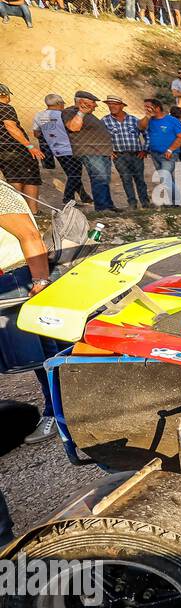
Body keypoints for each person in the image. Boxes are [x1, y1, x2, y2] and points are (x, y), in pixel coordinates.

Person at [0, 178, 58, 443]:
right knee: (41, 353)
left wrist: (40, 281)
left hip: (17, 279)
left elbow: (30, 235)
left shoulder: (1, 192)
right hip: (13, 279)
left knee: (43, 353)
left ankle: (58, 414)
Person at [62, 90, 117, 211]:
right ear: (82, 102)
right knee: (99, 179)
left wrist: (107, 149)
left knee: (104, 179)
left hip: (101, 152)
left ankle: (108, 206)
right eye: (93, 102)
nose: (96, 106)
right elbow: (73, 127)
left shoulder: (88, 114)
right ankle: (102, 208)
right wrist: (81, 112)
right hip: (91, 152)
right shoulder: (70, 112)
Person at [32, 94, 88, 206]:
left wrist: (51, 135)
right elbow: (75, 128)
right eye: (63, 103)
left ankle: (84, 196)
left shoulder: (39, 115)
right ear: (59, 104)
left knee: (72, 173)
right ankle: (68, 199)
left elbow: (36, 133)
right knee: (75, 174)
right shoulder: (65, 114)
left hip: (56, 150)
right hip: (70, 149)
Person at [0, 85, 43, 214]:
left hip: (2, 150)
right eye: (8, 96)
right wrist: (29, 146)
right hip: (16, 149)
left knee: (13, 178)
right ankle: (33, 212)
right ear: (4, 95)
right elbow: (11, 127)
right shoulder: (5, 108)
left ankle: (16, 211)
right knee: (30, 178)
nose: (9, 99)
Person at [103, 95, 149, 209]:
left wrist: (145, 149)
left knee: (140, 179)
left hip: (137, 155)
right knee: (126, 179)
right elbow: (99, 137)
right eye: (109, 104)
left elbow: (147, 134)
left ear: (122, 106)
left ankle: (145, 203)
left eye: (115, 104)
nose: (112, 106)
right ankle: (132, 203)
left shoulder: (133, 119)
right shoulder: (104, 121)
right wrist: (107, 150)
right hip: (119, 156)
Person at [139, 97, 181, 205]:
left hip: (169, 154)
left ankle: (178, 201)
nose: (146, 109)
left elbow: (180, 137)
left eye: (148, 107)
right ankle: (173, 202)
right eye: (145, 107)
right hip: (155, 154)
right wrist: (147, 115)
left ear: (157, 108)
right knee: (166, 178)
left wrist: (170, 149)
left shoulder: (172, 120)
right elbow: (141, 127)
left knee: (165, 177)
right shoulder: (149, 120)